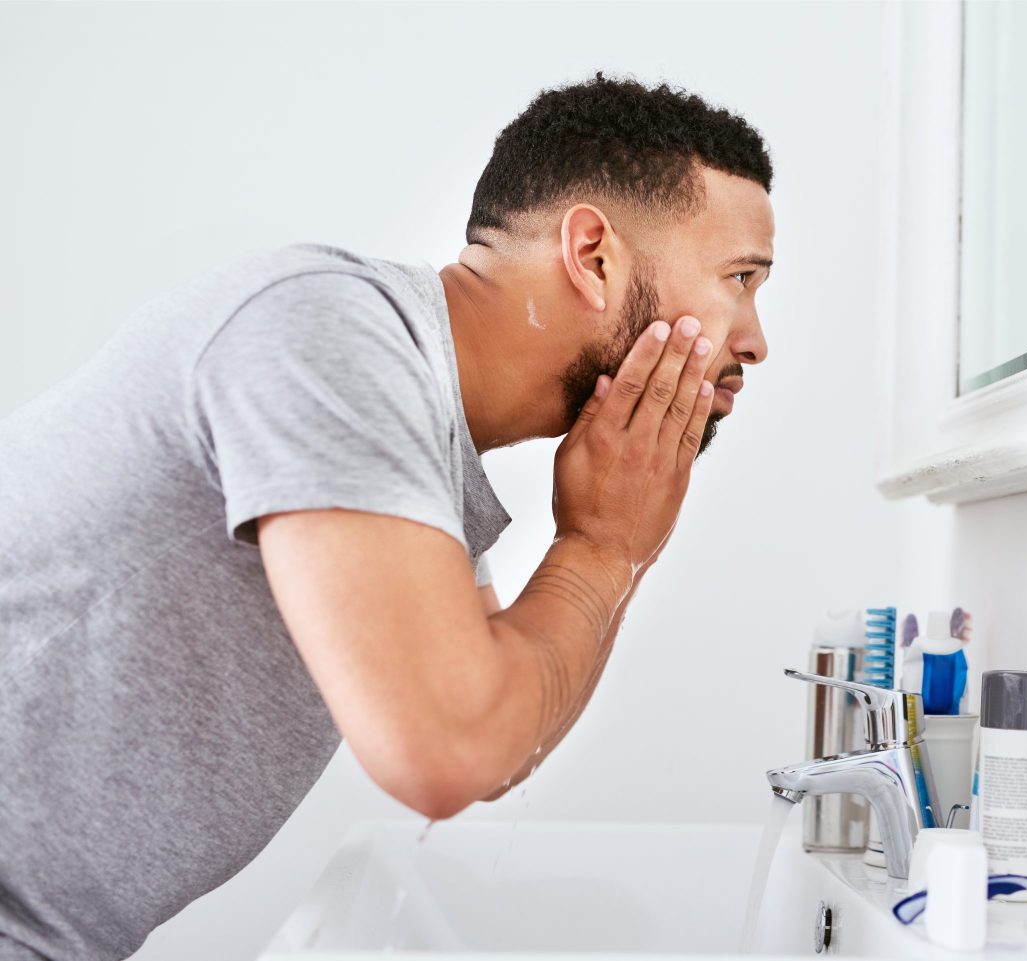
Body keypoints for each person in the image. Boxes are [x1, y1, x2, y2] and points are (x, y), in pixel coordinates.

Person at [0, 72, 774, 961]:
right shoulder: (330, 335)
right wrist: (602, 549)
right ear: (593, 255)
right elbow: (452, 746)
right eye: (740, 279)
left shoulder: (419, 438)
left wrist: (608, 550)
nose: (755, 339)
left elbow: (503, 737)